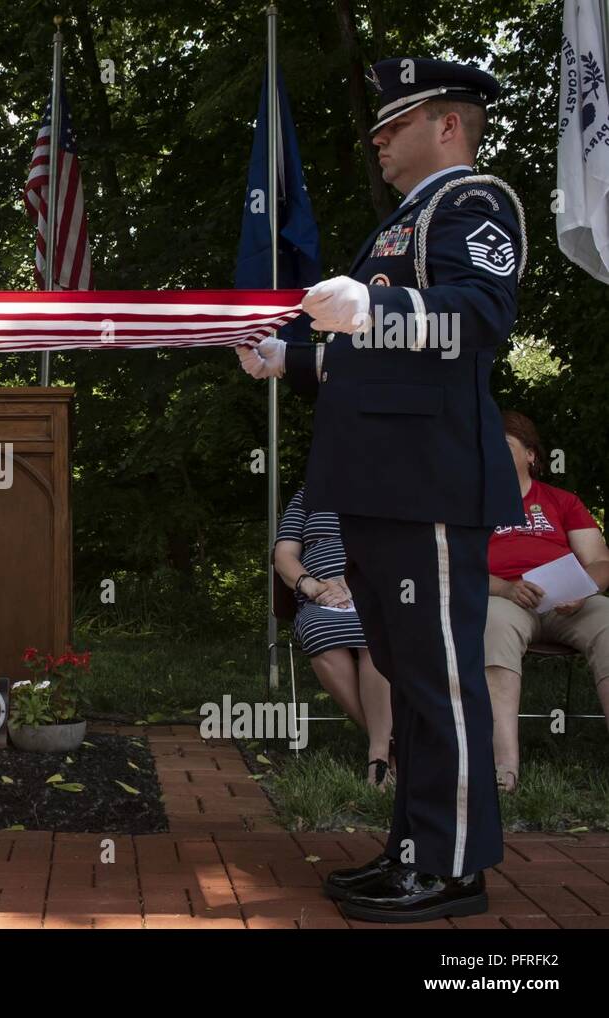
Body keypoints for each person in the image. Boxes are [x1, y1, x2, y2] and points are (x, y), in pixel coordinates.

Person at [237, 58, 525, 922]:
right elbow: (373, 355)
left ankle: (454, 865)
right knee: (405, 673)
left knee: (439, 676)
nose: (379, 140)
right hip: (379, 483)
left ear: (447, 126)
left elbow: (482, 316)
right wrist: (291, 354)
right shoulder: (398, 227)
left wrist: (372, 310)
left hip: (429, 481)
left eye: (395, 124)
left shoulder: (474, 202)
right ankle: (413, 846)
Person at [484, 412, 609, 792]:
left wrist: (584, 588)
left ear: (531, 456)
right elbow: (455, 568)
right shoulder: (470, 505)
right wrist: (505, 588)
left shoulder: (561, 501)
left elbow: (601, 561)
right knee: (494, 624)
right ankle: (504, 768)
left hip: (567, 600)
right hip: (503, 597)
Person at [274, 486, 394, 788]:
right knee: (320, 632)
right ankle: (392, 745)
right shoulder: (308, 495)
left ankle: (378, 754)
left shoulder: (392, 491)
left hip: (376, 591)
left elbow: (405, 551)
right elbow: (284, 555)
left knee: (374, 636)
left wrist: (364, 582)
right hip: (320, 596)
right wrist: (312, 586)